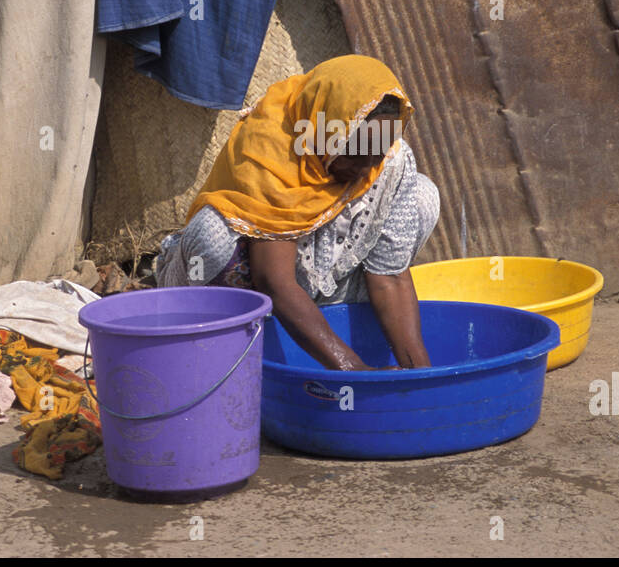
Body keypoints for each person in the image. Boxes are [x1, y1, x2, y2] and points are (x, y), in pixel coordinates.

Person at [155, 55, 440, 370]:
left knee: (422, 195)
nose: (367, 169)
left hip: (327, 284)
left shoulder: (387, 160)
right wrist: (355, 372)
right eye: (356, 155)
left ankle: (332, 329)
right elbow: (275, 282)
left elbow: (391, 279)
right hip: (258, 291)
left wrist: (422, 377)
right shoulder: (274, 151)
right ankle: (212, 355)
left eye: (377, 155)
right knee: (213, 234)